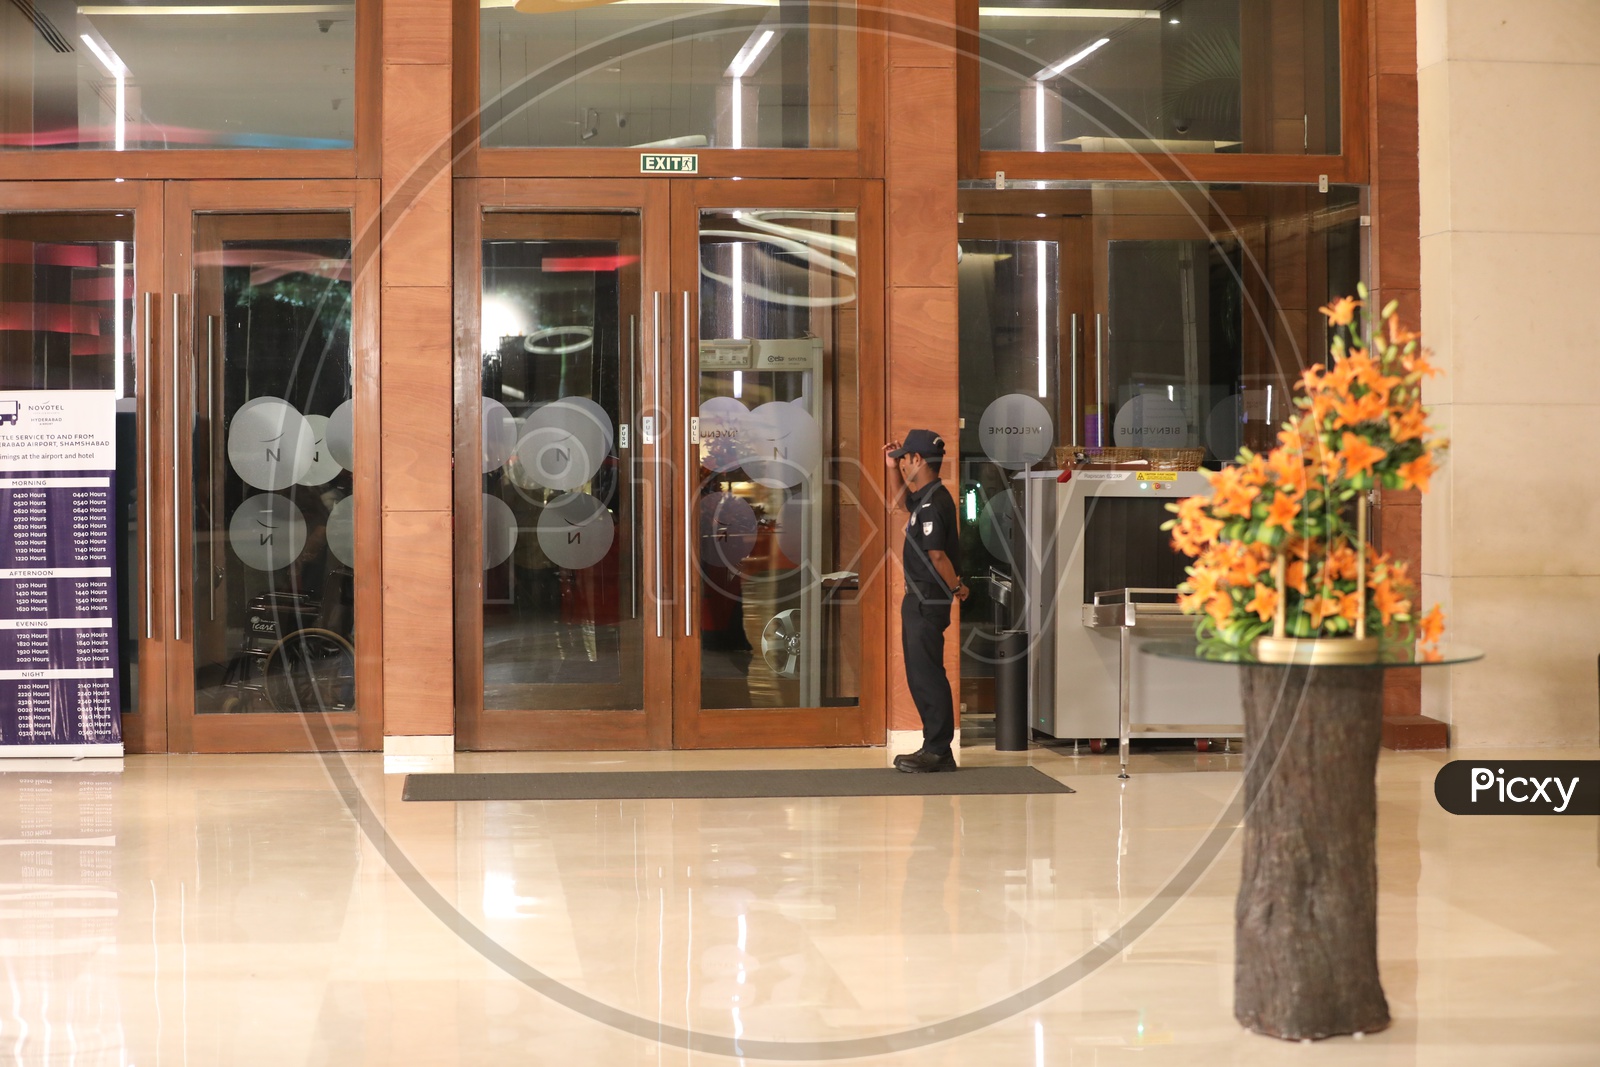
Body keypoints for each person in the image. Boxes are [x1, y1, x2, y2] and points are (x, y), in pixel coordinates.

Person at [883, 429, 968, 773]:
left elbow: (937, 556)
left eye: (904, 459)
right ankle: (933, 745)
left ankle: (938, 750)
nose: (903, 464)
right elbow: (903, 502)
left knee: (927, 675)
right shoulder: (929, 495)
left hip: (927, 601)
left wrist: (957, 586)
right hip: (919, 600)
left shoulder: (935, 502)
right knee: (921, 674)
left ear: (918, 460)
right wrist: (890, 467)